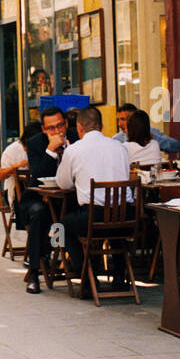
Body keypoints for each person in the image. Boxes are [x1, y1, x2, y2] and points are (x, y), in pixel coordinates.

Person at [55, 105, 132, 282]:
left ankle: (86, 274)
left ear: (79, 128)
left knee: (63, 225)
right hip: (126, 218)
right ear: (102, 126)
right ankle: (120, 278)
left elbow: (63, 183)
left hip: (93, 219)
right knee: (114, 225)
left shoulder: (74, 150)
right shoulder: (120, 148)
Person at [22, 107, 72, 293]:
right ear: (44, 130)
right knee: (38, 213)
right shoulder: (36, 143)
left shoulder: (75, 138)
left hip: (70, 196)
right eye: (51, 128)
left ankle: (84, 264)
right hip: (39, 197)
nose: (57, 131)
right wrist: (51, 151)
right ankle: (34, 272)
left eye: (60, 125)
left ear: (66, 123)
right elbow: (37, 175)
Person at [115, 100, 180, 155]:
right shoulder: (117, 139)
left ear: (135, 118)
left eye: (123, 119)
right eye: (118, 120)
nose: (119, 124)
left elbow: (176, 146)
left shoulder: (151, 132)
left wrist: (150, 137)